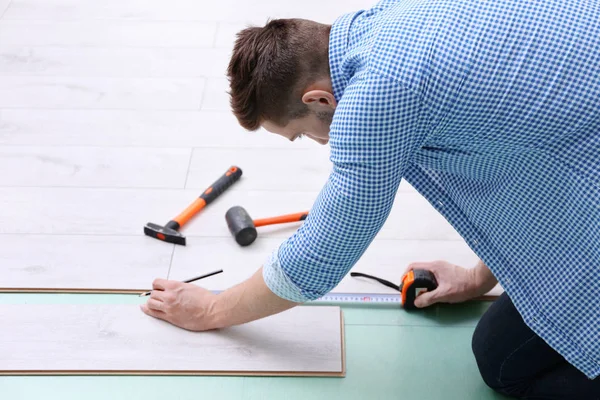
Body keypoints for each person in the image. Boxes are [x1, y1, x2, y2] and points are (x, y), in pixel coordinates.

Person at [140, 0, 599, 397]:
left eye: (302, 135)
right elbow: (522, 146)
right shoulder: (386, 20)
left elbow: (320, 256)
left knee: (502, 364)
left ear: (319, 100)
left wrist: (212, 309)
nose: (322, 145)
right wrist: (479, 275)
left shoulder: (378, 97)